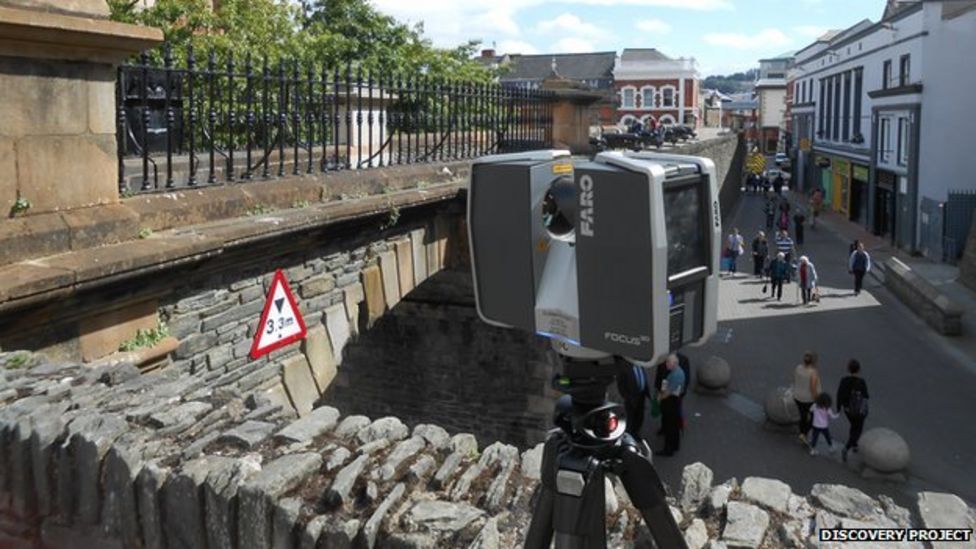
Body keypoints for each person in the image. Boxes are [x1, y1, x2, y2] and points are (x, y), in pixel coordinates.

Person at [836, 359, 870, 462]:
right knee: (857, 430)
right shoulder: (861, 382)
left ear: (848, 369)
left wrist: (838, 408)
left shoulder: (844, 380)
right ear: (859, 370)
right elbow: (866, 396)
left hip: (848, 410)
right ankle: (847, 448)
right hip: (859, 411)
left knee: (853, 425)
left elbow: (839, 395)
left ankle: (854, 444)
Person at [657, 354, 685, 456]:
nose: (666, 364)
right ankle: (675, 445)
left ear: (675, 363)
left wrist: (659, 398)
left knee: (670, 427)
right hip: (674, 401)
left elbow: (667, 392)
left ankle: (668, 449)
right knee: (674, 426)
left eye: (668, 362)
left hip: (671, 402)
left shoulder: (676, 375)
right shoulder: (678, 371)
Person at [792, 351, 821, 445]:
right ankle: (804, 433)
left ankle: (802, 433)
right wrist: (817, 400)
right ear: (814, 361)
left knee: (803, 416)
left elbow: (795, 379)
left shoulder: (798, 368)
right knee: (814, 418)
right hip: (809, 399)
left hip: (798, 396)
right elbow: (813, 388)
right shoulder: (813, 373)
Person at [617, 361, 650, 438]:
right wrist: (627, 397)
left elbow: (643, 376)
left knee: (640, 416)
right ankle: (629, 436)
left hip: (642, 395)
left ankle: (636, 433)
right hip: (631, 398)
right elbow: (620, 385)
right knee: (631, 418)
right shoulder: (625, 368)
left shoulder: (641, 365)